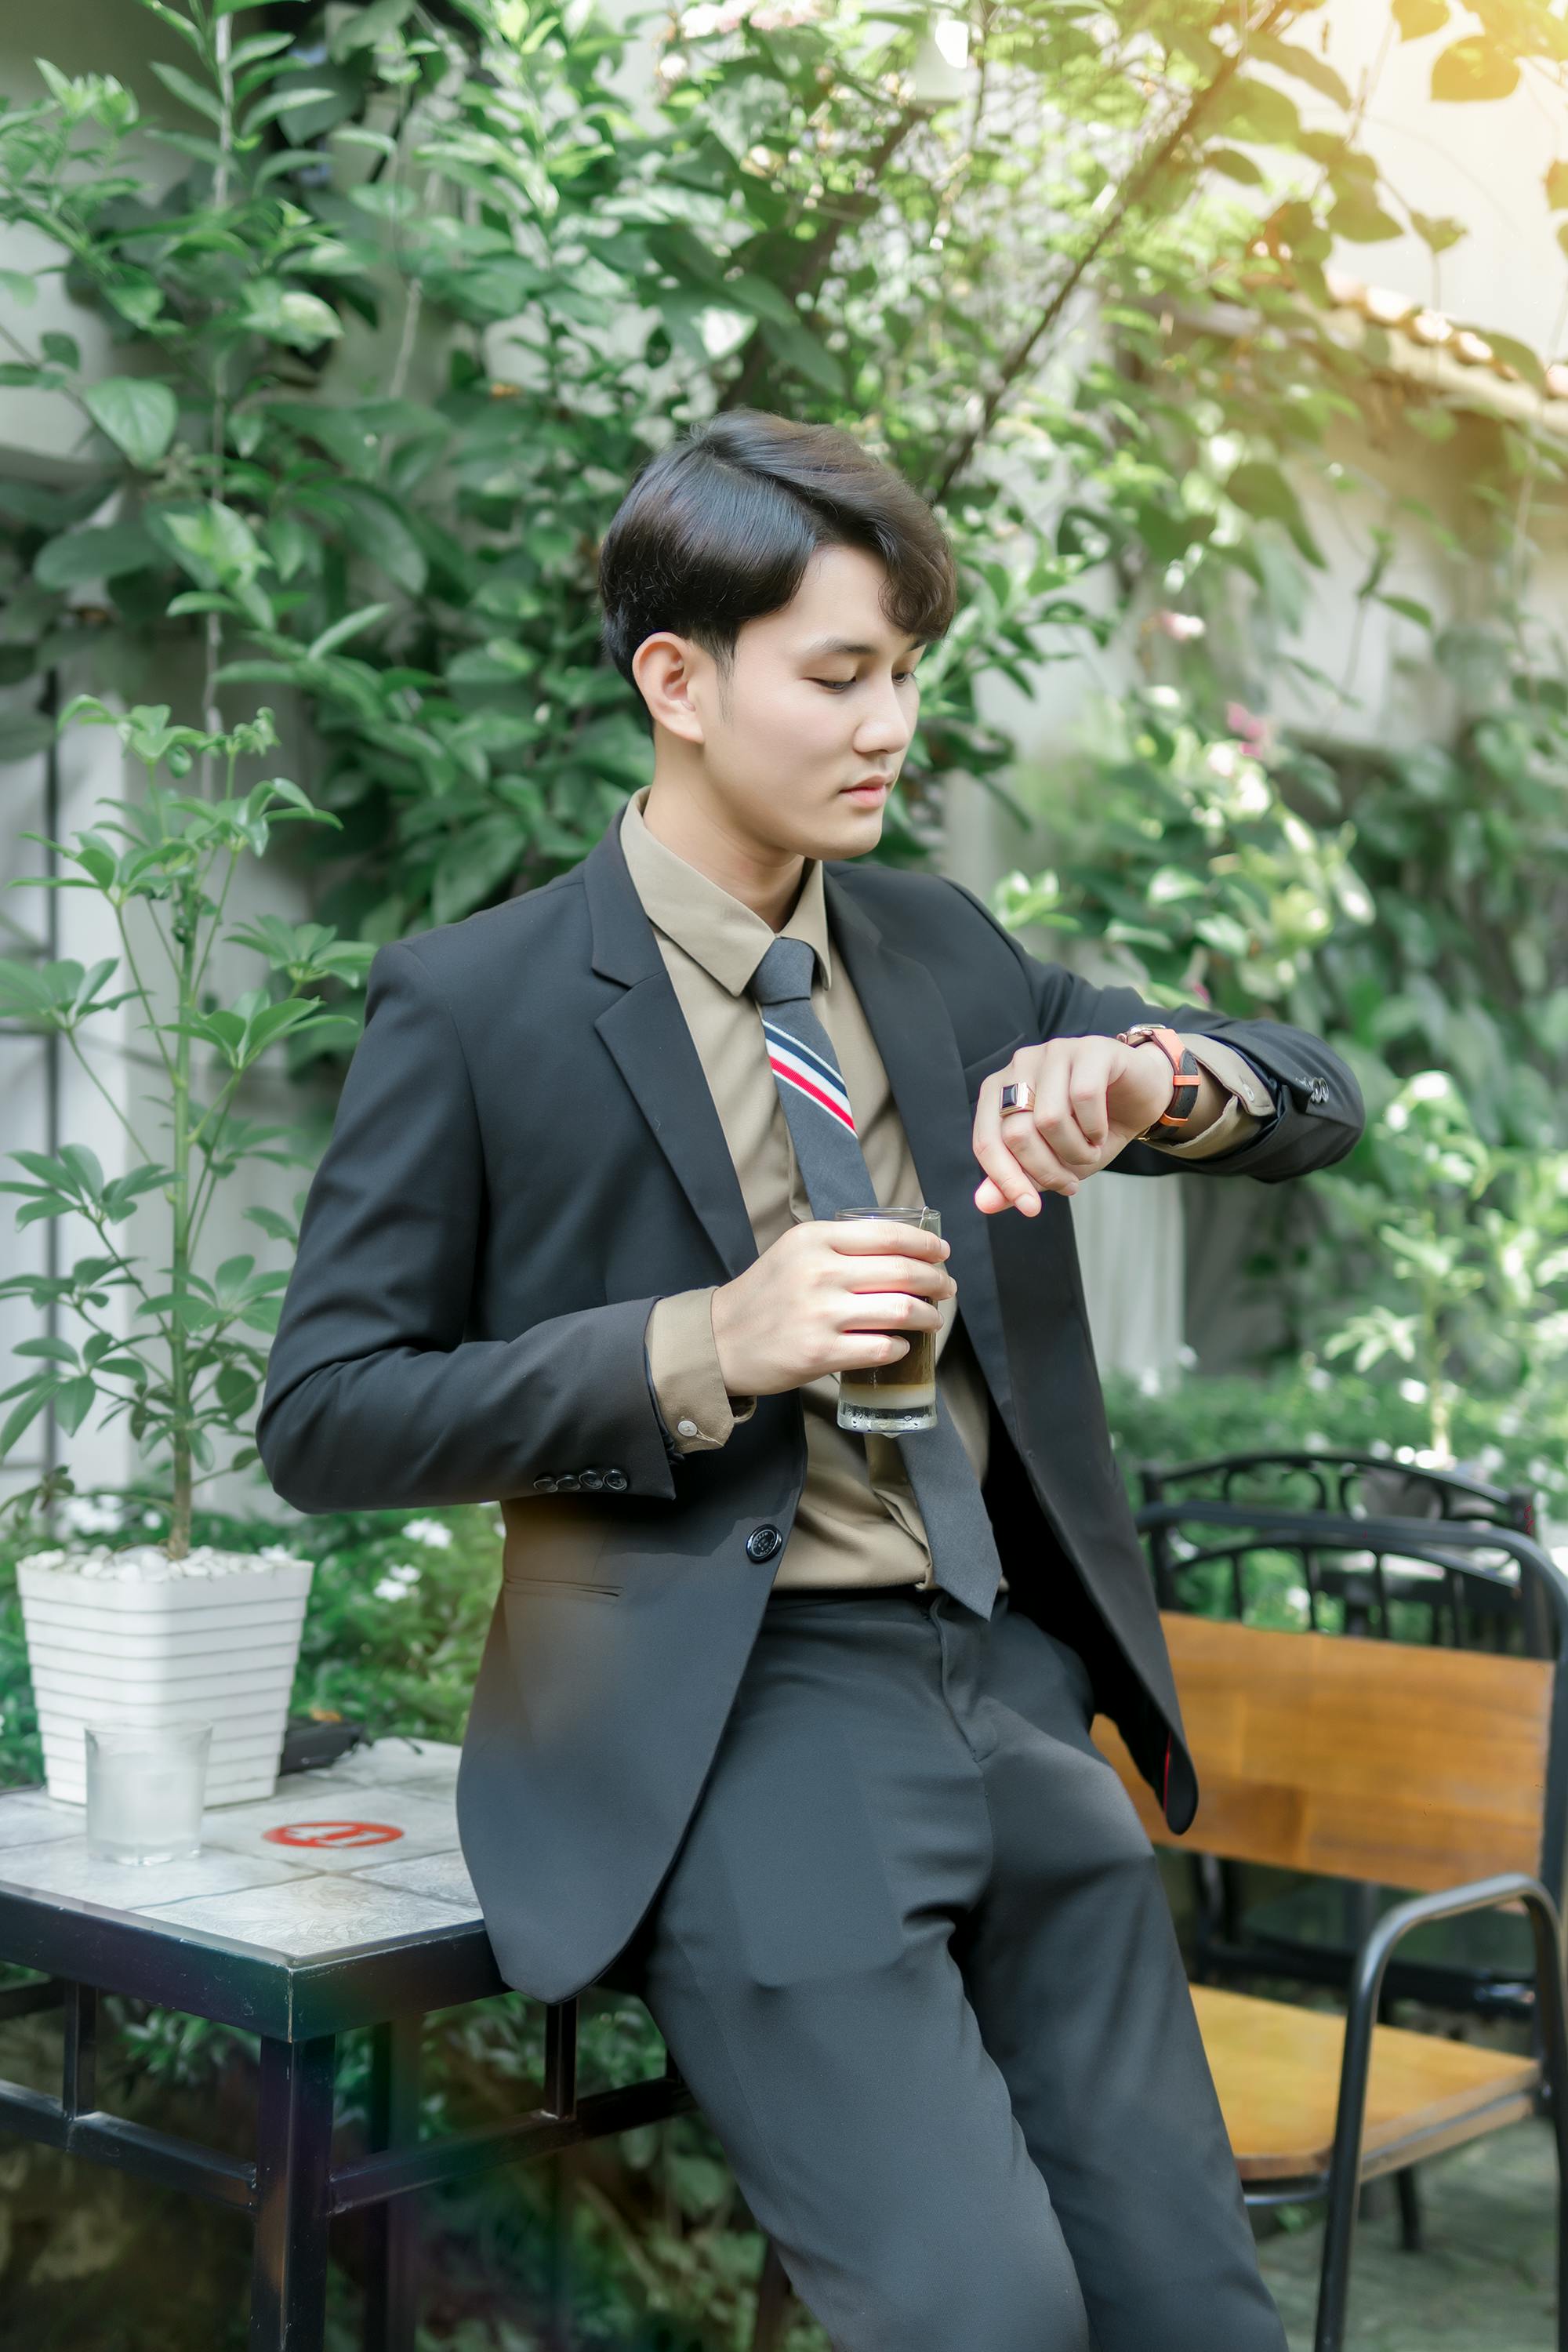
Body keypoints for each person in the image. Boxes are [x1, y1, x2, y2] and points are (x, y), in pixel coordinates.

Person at [258, 409, 1363, 2350]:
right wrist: (710, 1344)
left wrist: (1154, 1079)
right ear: (674, 680)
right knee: (986, 2326)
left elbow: (1308, 1101)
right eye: (841, 675)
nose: (890, 728)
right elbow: (328, 1412)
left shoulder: (940, 951)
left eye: (908, 675)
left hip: (1015, 1707)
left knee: (1199, 2315)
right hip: (739, 1736)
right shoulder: (481, 1003)